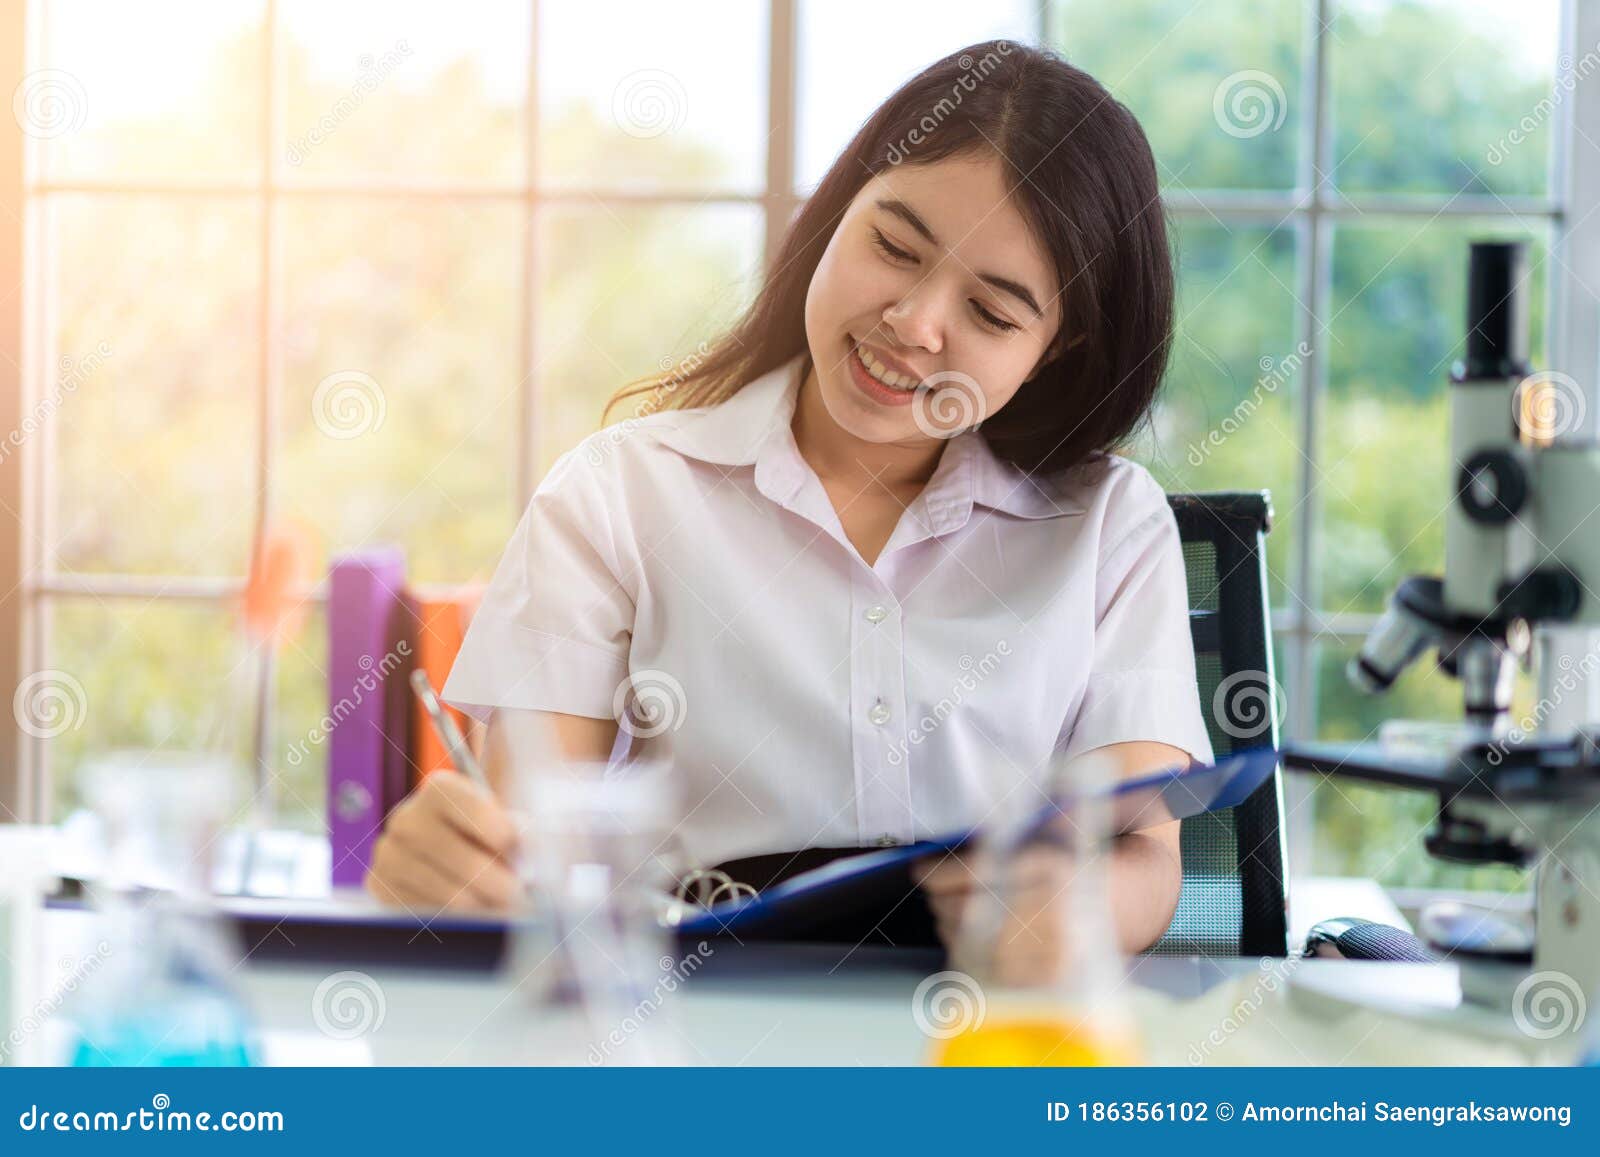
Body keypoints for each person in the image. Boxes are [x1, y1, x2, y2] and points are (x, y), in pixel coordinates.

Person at [366, 39, 1216, 964]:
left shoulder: (1110, 524)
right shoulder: (617, 494)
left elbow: (1142, 849)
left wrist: (1070, 912)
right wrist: (466, 873)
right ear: (837, 210)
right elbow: (537, 839)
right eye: (894, 246)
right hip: (697, 1025)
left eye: (991, 313)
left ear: (1058, 346)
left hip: (989, 1023)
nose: (914, 323)